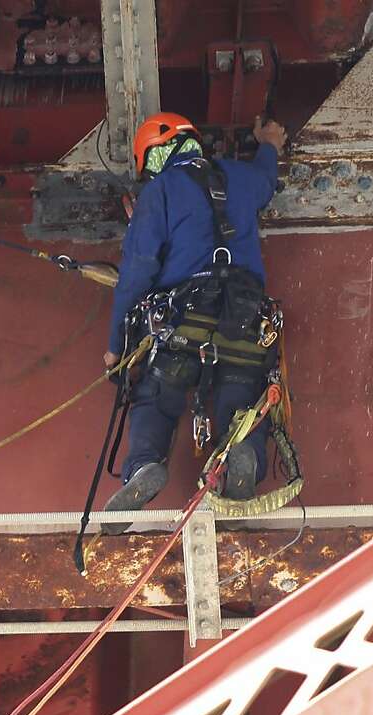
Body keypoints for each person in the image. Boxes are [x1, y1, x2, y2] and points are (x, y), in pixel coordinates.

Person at [103, 111, 287, 514]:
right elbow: (265, 179)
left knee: (156, 395)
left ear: (154, 157)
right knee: (242, 398)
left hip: (183, 324)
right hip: (244, 322)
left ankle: (145, 465)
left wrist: (117, 346)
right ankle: (242, 457)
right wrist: (269, 144)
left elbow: (136, 273)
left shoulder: (160, 191)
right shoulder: (241, 177)